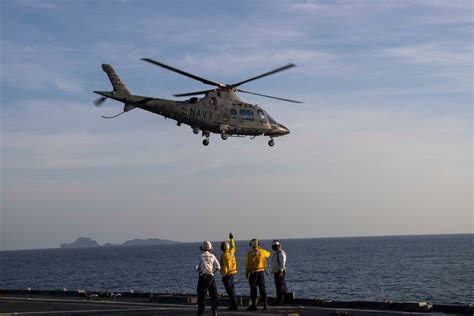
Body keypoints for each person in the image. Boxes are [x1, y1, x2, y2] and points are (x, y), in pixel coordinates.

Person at [195, 241, 220, 316]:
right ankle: (214, 311)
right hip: (211, 277)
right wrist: (213, 271)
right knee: (214, 295)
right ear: (210, 248)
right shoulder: (212, 256)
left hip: (203, 277)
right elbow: (218, 267)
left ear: (202, 248)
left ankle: (200, 312)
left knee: (202, 296)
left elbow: (195, 267)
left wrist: (200, 271)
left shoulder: (200, 256)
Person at [244, 239, 270, 311]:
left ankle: (253, 305)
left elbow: (247, 264)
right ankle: (265, 304)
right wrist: (260, 248)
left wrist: (247, 273)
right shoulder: (262, 252)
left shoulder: (249, 253)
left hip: (253, 273)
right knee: (262, 289)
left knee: (253, 290)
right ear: (258, 244)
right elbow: (268, 254)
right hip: (261, 272)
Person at [220, 233, 239, 310]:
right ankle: (234, 304)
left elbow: (224, 267)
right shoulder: (231, 252)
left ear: (223, 248)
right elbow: (233, 246)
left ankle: (234, 305)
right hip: (232, 273)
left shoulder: (224, 255)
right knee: (232, 290)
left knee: (230, 291)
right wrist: (231, 239)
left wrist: (223, 276)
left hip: (227, 275)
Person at [271, 240, 287, 305]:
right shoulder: (275, 253)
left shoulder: (280, 253)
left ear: (278, 246)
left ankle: (280, 301)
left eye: (274, 246)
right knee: (280, 286)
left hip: (279, 272)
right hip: (276, 271)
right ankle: (283, 299)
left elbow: (282, 263)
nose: (273, 247)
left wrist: (281, 271)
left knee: (280, 286)